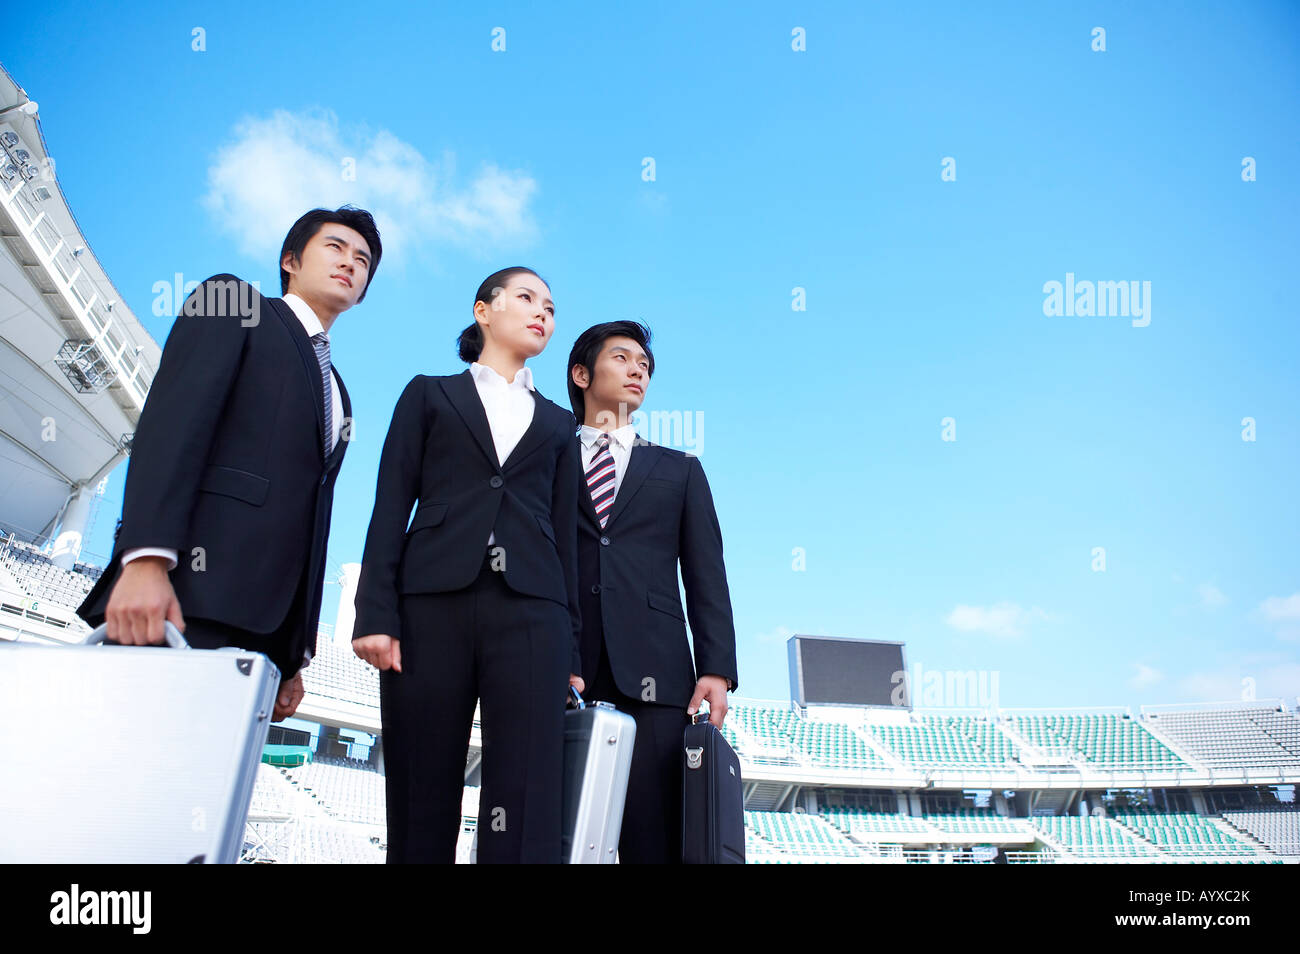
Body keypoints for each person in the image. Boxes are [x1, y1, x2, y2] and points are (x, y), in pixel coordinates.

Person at [78, 206, 381, 722]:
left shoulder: (340, 392)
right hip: (185, 598)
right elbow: (171, 429)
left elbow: (312, 515)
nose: (350, 262)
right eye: (335, 247)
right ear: (290, 258)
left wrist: (295, 652)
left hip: (265, 637)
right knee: (134, 775)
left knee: (205, 792)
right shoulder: (234, 304)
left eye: (363, 260)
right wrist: (146, 560)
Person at [352, 267, 583, 864]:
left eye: (551, 308)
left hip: (534, 613)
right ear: (484, 310)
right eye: (527, 298)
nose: (542, 313)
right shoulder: (429, 393)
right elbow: (390, 504)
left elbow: (566, 537)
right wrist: (375, 611)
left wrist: (573, 653)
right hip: (431, 606)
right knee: (421, 781)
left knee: (527, 794)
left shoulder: (561, 422)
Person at [567, 320, 738, 863]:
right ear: (581, 374)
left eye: (645, 363)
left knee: (654, 841)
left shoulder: (680, 469)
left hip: (660, 681)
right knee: (559, 834)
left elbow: (707, 573)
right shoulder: (544, 458)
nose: (638, 368)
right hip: (561, 667)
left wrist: (716, 668)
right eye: (622, 358)